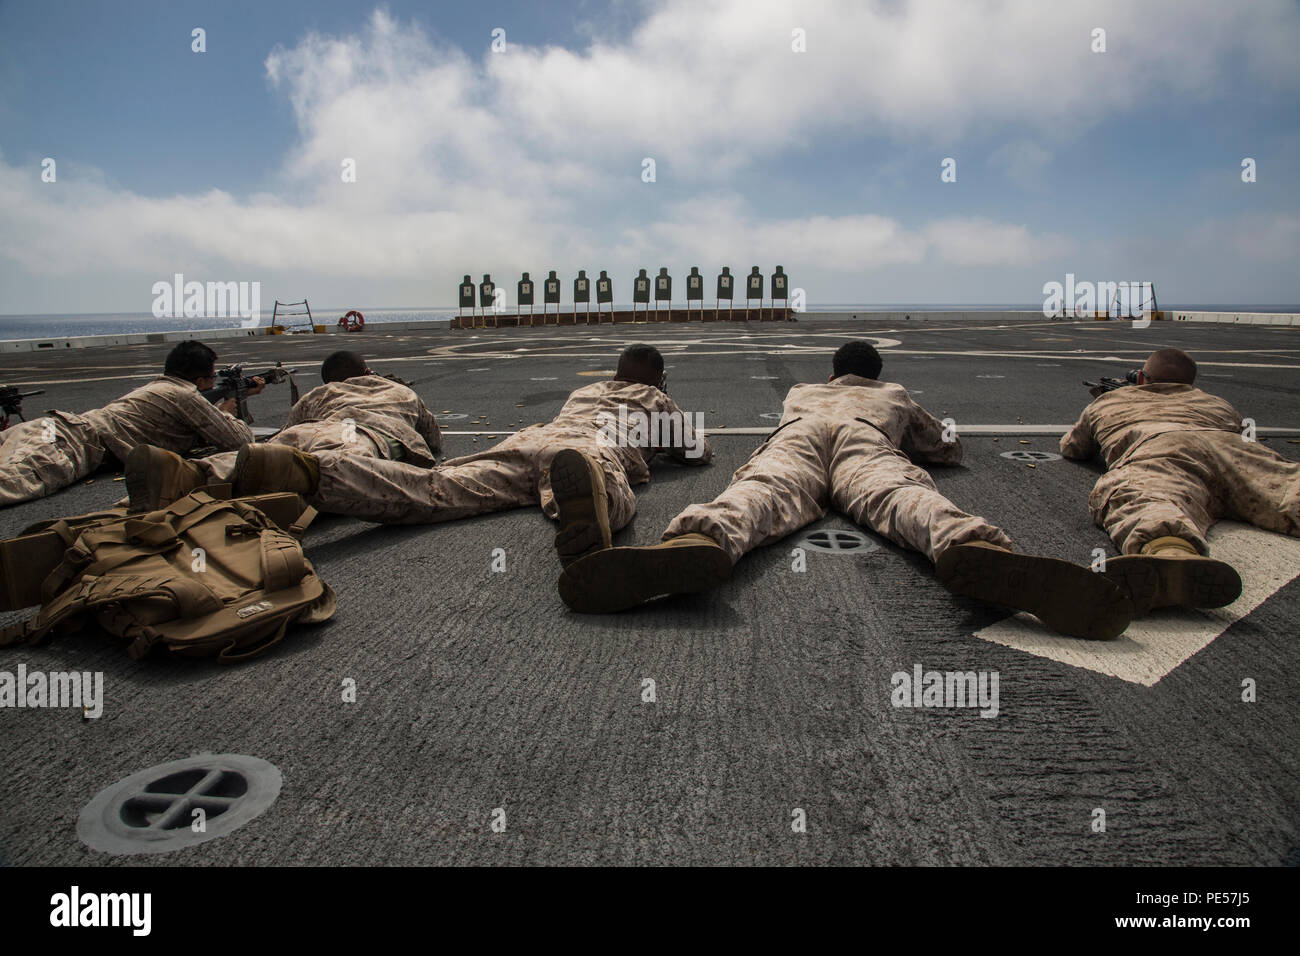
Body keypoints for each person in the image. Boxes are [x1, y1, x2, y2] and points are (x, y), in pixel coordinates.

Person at [558, 341, 1135, 640]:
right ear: (876, 373)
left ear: (832, 371)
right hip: (864, 438)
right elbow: (941, 446)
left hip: (801, 434)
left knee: (761, 491)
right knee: (901, 496)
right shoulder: (892, 395)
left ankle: (695, 545)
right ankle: (968, 547)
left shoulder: (803, 392)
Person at [226, 344, 712, 566]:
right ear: (657, 380)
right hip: (589, 445)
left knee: (437, 490)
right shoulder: (656, 401)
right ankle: (585, 504)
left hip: (528, 440)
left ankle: (318, 473)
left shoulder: (584, 393)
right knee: (612, 491)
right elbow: (697, 452)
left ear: (614, 370)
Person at [1059, 347, 1295, 613]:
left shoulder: (1107, 402)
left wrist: (1107, 404)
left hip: (1164, 448)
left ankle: (1171, 552)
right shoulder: (1217, 403)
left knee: (1140, 494)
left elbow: (1073, 448)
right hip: (1235, 449)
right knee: (1288, 488)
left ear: (1140, 378)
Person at [124, 350, 442, 510]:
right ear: (368, 372)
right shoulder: (401, 392)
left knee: (266, 457)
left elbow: (291, 428)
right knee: (334, 467)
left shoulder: (319, 394)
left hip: (309, 429)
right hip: (359, 433)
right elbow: (432, 437)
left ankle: (186, 475)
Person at [0, 340, 260, 507]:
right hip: (67, 445)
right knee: (11, 486)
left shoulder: (157, 387)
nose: (213, 382)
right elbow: (239, 441)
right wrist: (225, 411)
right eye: (212, 377)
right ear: (200, 379)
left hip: (52, 429)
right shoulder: (185, 395)